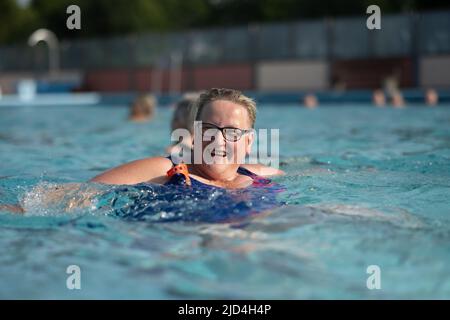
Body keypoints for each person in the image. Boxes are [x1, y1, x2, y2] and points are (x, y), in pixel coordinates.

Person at [92, 88, 283, 188]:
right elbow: (84, 192)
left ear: (248, 142)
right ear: (195, 135)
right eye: (209, 129)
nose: (219, 139)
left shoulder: (258, 175)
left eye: (232, 132)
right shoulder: (166, 170)